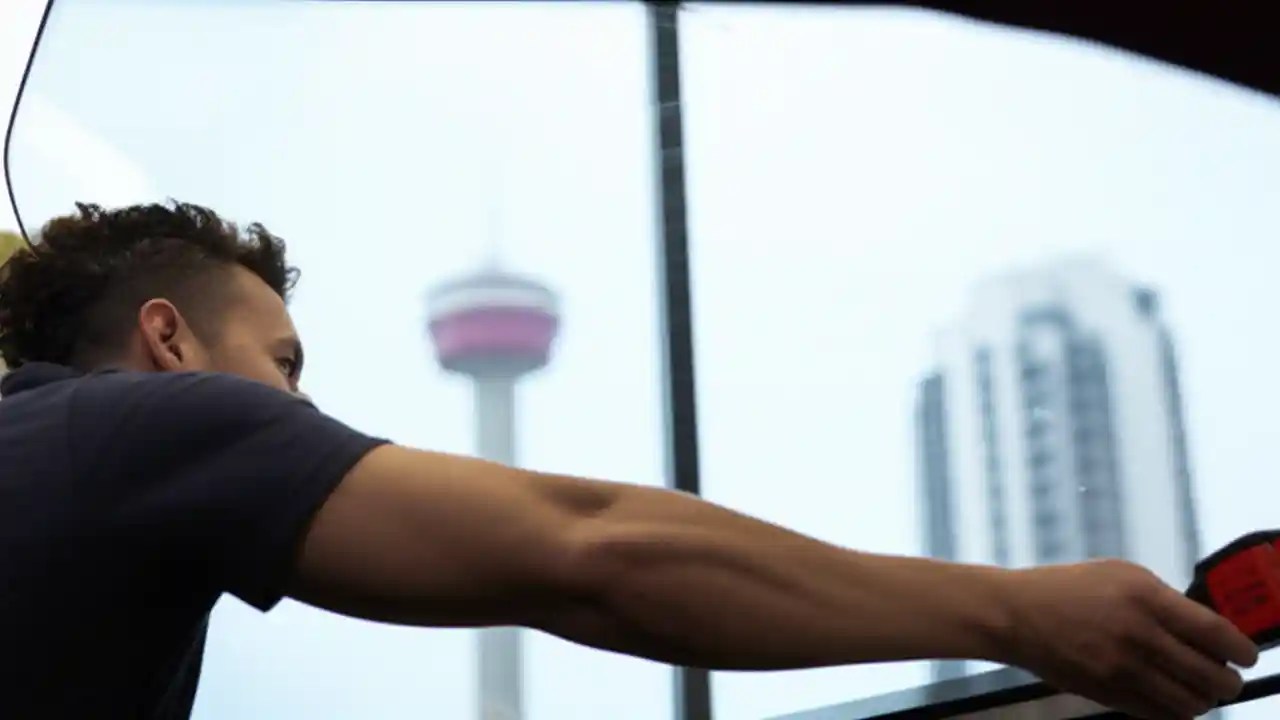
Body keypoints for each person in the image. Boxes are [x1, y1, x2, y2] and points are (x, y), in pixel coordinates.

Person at [0, 201, 1256, 720]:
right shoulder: (143, 425)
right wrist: (1016, 611)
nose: (291, 403)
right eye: (282, 363)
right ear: (167, 338)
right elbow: (589, 550)